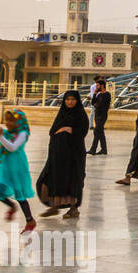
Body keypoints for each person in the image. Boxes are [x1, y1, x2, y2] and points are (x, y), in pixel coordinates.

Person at [36, 89, 89, 218]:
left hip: (74, 154)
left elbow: (83, 132)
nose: (70, 102)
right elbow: (52, 132)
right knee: (53, 178)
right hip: (58, 154)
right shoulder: (61, 114)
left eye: (72, 99)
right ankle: (54, 206)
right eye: (67, 99)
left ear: (77, 101)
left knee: (73, 180)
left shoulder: (80, 115)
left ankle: (74, 209)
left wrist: (69, 129)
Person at [0, 109, 36, 232]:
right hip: (5, 166)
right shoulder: (7, 133)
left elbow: (12, 147)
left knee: (19, 194)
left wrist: (1, 136)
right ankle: (12, 206)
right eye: (6, 120)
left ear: (19, 121)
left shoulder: (22, 133)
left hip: (17, 166)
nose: (8, 123)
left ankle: (30, 220)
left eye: (11, 120)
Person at [87, 78, 111, 155]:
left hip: (102, 116)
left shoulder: (107, 94)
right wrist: (94, 93)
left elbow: (101, 105)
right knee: (100, 132)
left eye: (97, 85)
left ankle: (93, 149)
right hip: (97, 115)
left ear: (102, 85)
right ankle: (104, 150)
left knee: (96, 131)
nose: (96, 87)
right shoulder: (99, 94)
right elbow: (93, 102)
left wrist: (97, 105)